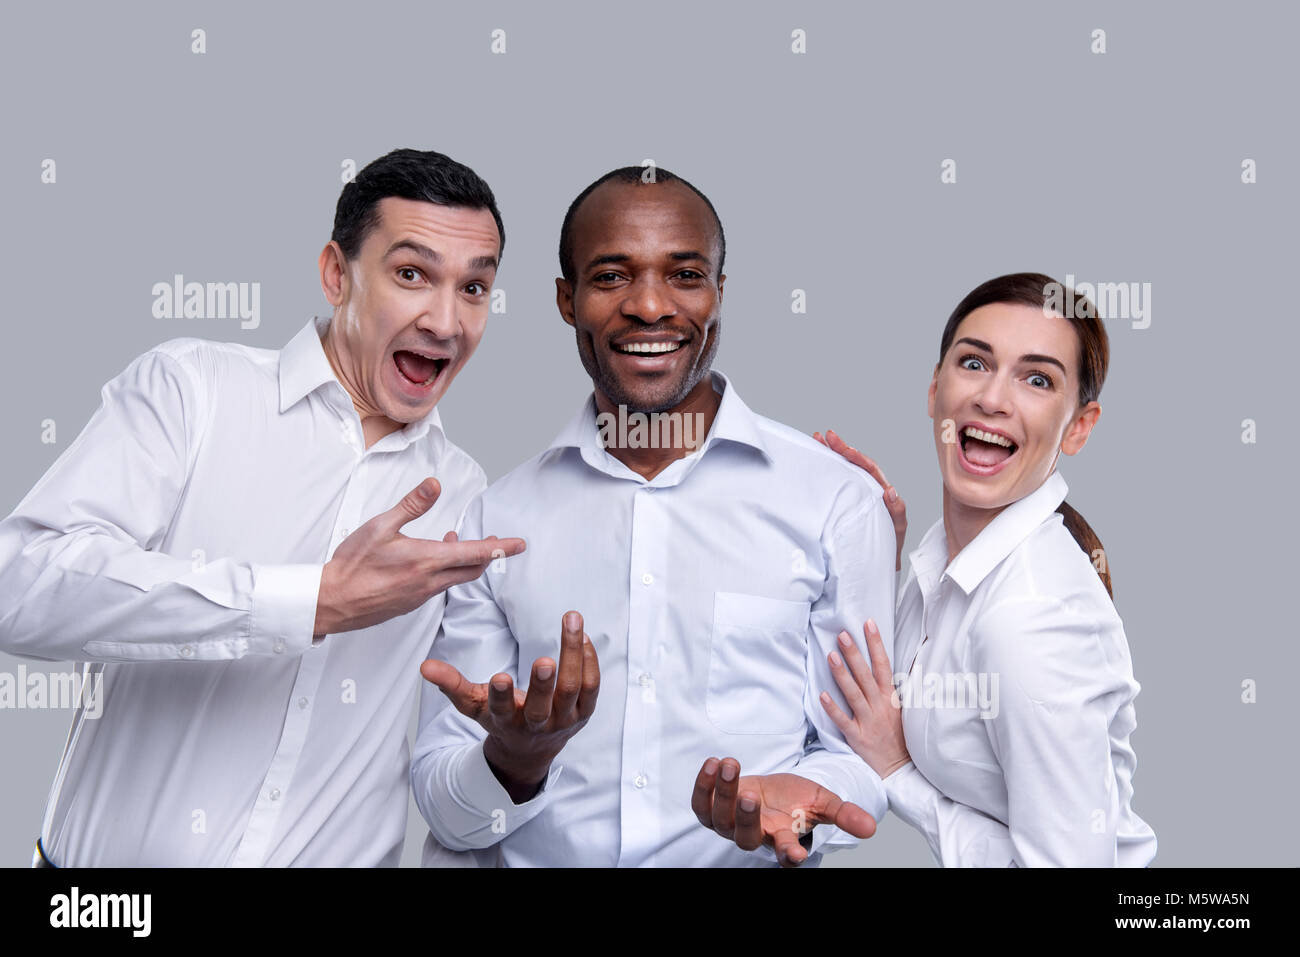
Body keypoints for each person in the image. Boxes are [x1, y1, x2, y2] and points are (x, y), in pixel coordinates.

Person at [0, 148, 525, 866]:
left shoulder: (467, 496)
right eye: (412, 274)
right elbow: (21, 585)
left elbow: (450, 798)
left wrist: (518, 760)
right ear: (337, 274)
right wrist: (310, 600)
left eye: (474, 288)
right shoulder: (193, 392)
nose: (445, 319)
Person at [411, 166, 893, 867]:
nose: (649, 306)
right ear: (565, 299)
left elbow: (866, 758)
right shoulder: (498, 518)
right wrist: (514, 763)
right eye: (610, 277)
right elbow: (446, 810)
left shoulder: (835, 501)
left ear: (719, 293)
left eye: (685, 275)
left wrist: (810, 795)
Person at [814, 273, 1157, 866]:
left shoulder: (1028, 620)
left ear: (1079, 426)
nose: (993, 398)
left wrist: (898, 774)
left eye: (1037, 379)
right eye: (975, 363)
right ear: (933, 390)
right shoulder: (947, 557)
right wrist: (874, 553)